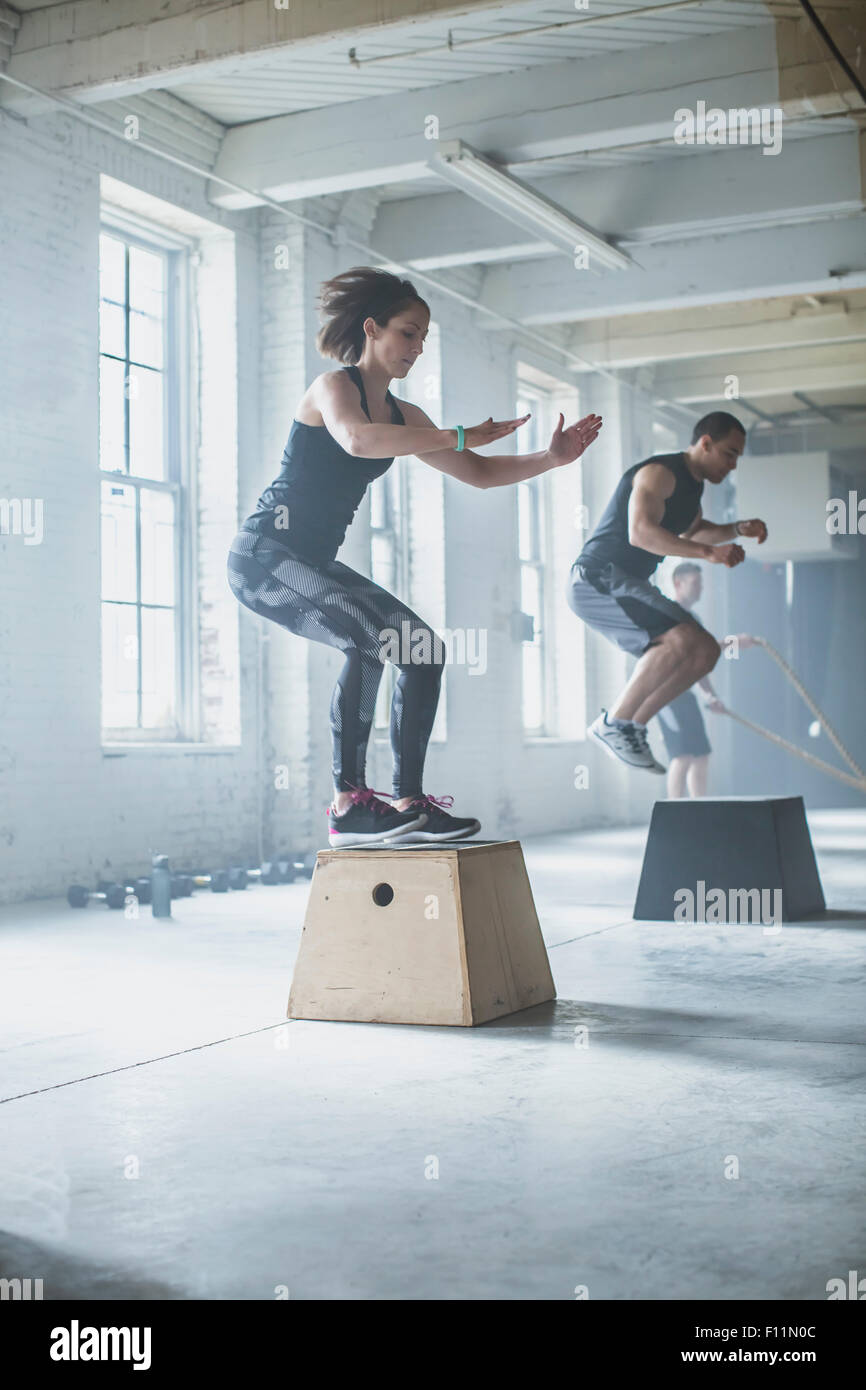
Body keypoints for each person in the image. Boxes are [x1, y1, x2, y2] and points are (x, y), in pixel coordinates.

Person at [228, 266, 603, 846]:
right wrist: (456, 435)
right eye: (408, 333)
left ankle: (410, 804)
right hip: (263, 555)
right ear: (372, 329)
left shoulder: (408, 416)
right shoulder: (334, 388)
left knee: (423, 651)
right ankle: (349, 804)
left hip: (313, 563)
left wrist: (549, 460)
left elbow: (477, 472)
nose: (417, 348)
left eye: (424, 337)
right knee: (369, 641)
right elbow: (357, 440)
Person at [567, 411, 767, 773]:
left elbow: (694, 531)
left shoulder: (693, 489)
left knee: (704, 650)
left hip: (627, 581)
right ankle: (614, 723)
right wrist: (710, 554)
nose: (733, 465)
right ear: (705, 443)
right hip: (599, 576)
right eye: (729, 453)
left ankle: (630, 725)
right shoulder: (660, 473)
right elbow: (640, 533)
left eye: (738, 456)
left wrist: (737, 528)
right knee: (681, 639)